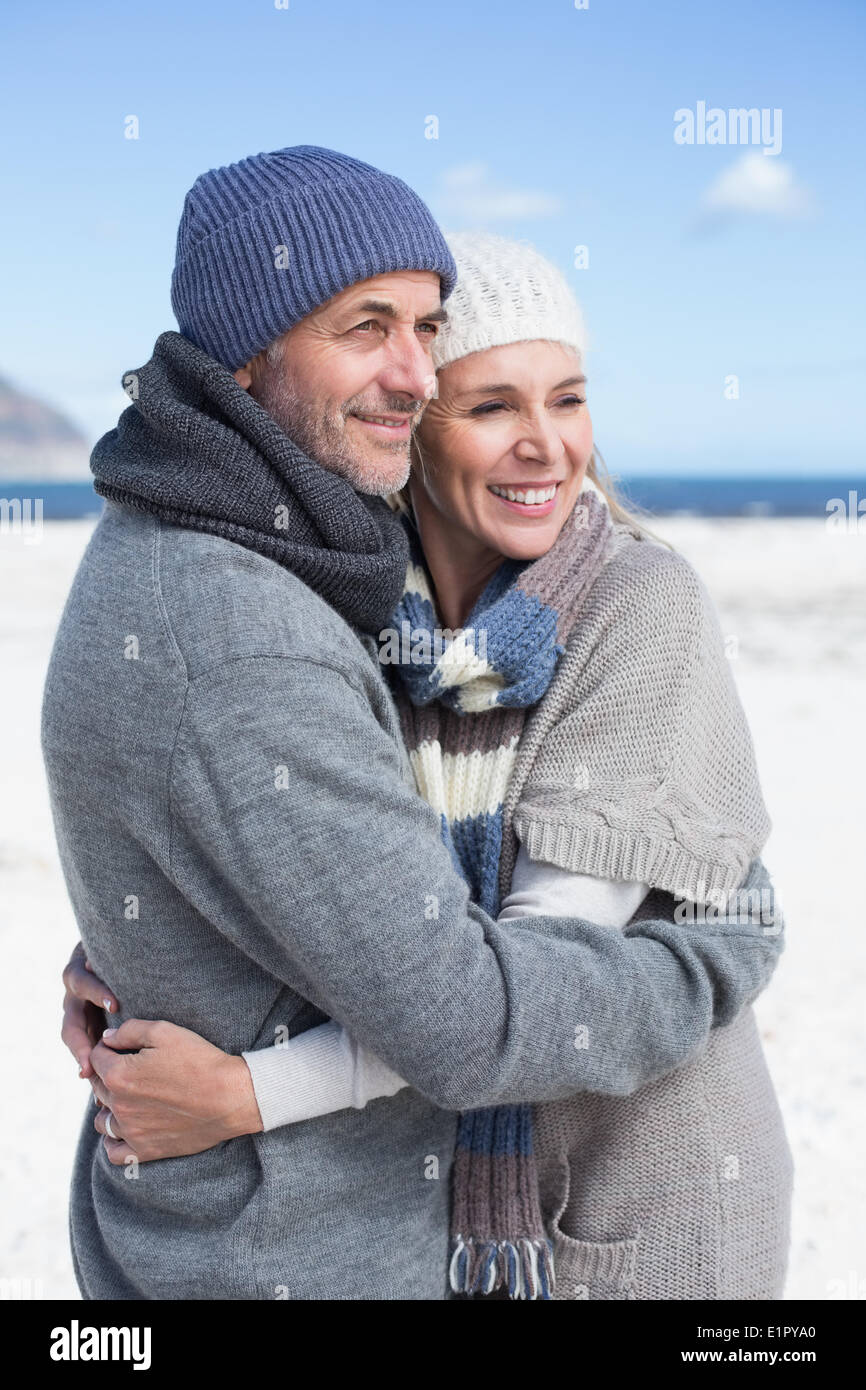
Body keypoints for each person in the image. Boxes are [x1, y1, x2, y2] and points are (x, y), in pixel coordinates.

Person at [48, 148, 785, 1302]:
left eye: (568, 398)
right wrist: (157, 939)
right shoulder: (352, 610)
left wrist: (718, 947)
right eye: (489, 404)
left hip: (637, 1200)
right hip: (465, 1221)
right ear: (421, 435)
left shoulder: (636, 608)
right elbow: (355, 901)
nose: (545, 444)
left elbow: (489, 1007)